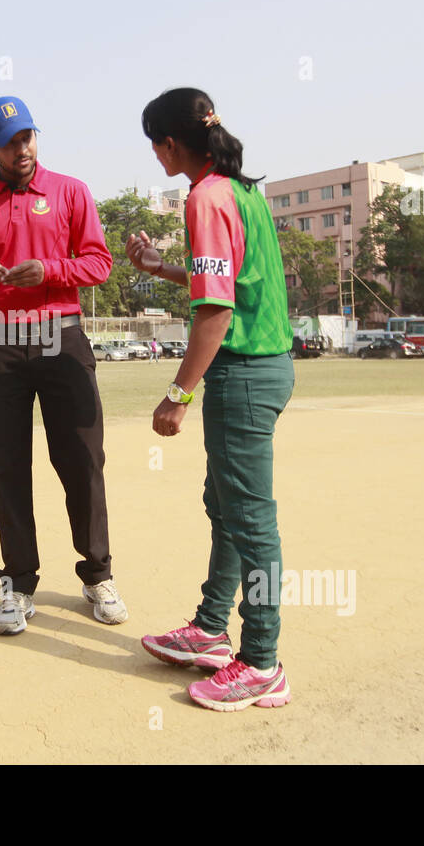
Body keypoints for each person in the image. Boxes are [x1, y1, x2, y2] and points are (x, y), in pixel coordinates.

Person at [129, 88, 295, 712]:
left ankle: (261, 663)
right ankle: (209, 629)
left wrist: (177, 394)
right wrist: (159, 268)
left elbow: (217, 311)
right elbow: (226, 279)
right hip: (263, 370)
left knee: (250, 520)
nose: (153, 153)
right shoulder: (241, 190)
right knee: (225, 505)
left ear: (170, 143)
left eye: (153, 142)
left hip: (244, 374)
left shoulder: (205, 196)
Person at [0, 95, 124, 636]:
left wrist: (46, 270)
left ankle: (98, 575)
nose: (22, 149)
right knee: (7, 465)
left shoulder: (71, 191)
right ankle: (18, 584)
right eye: (9, 142)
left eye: (27, 137)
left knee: (82, 459)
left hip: (60, 335)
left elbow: (99, 263)